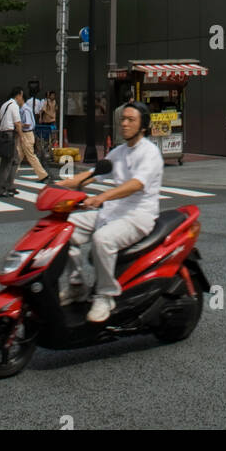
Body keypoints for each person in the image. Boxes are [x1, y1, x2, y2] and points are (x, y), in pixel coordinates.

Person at [57, 102, 163, 324]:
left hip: (138, 215)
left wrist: (102, 197)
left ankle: (105, 295)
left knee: (102, 239)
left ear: (143, 125)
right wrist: (65, 184)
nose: (124, 124)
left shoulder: (150, 153)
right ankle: (77, 285)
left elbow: (136, 184)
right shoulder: (119, 151)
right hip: (112, 211)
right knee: (63, 230)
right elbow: (96, 172)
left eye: (130, 120)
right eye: (122, 119)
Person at [0, 88, 25, 197]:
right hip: (9, 135)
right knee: (7, 162)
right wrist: (22, 137)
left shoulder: (5, 104)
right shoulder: (14, 106)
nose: (21, 98)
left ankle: (9, 185)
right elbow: (17, 123)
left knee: (15, 160)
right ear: (18, 95)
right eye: (21, 95)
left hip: (4, 133)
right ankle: (1, 188)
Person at [19, 90, 50, 183]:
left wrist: (18, 124)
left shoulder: (25, 109)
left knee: (30, 156)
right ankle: (9, 176)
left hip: (26, 134)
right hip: (26, 134)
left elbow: (27, 124)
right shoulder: (24, 108)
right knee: (19, 156)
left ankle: (43, 175)